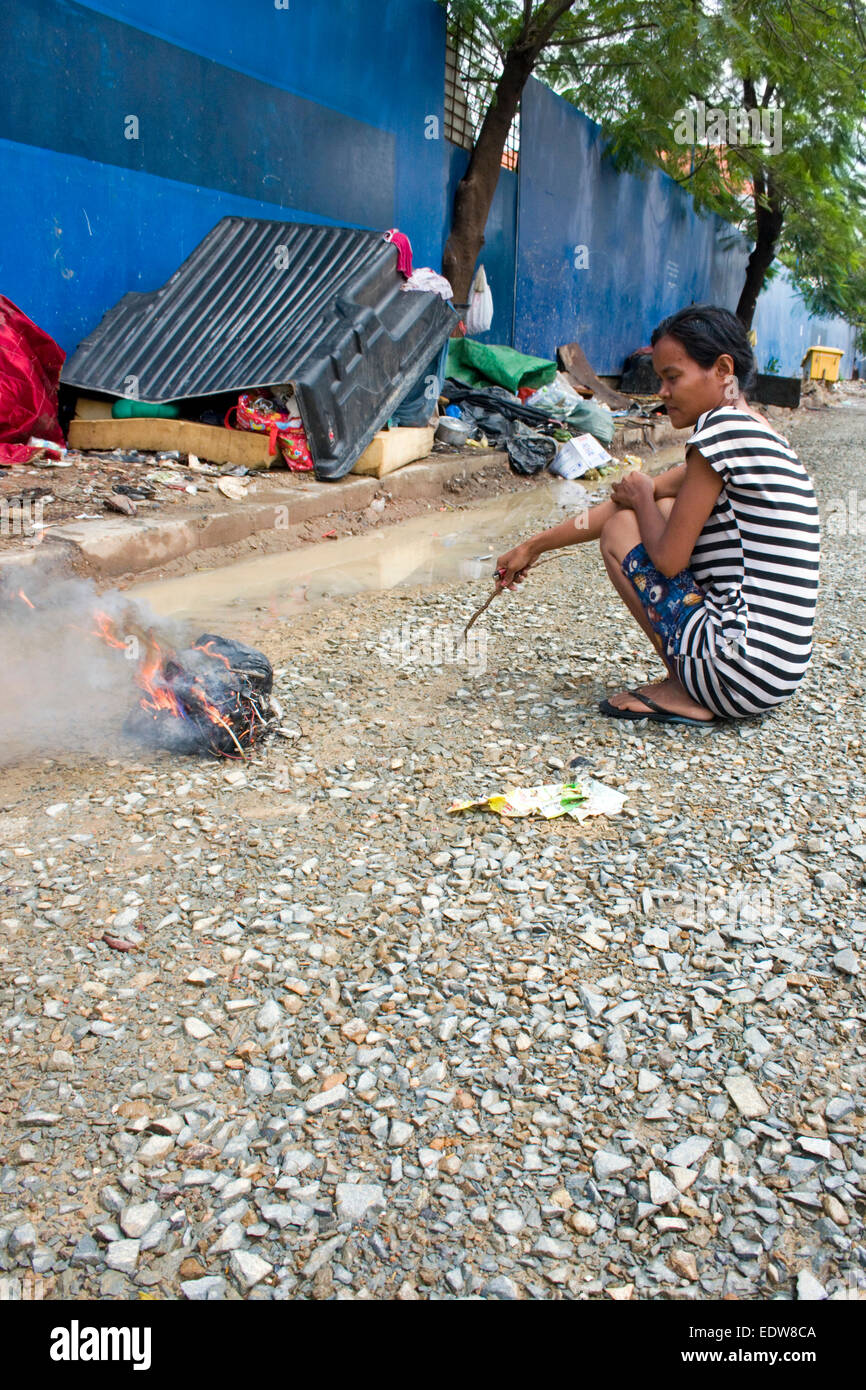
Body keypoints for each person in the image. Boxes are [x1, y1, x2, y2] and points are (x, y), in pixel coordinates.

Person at [495, 305, 821, 725]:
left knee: (622, 530)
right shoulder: (756, 432)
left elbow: (665, 555)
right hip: (774, 676)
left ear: (723, 369)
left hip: (735, 672)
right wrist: (533, 546)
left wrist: (644, 499)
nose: (662, 392)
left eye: (673, 377)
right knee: (654, 510)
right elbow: (633, 495)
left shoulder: (719, 432)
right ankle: (695, 678)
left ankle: (683, 686)